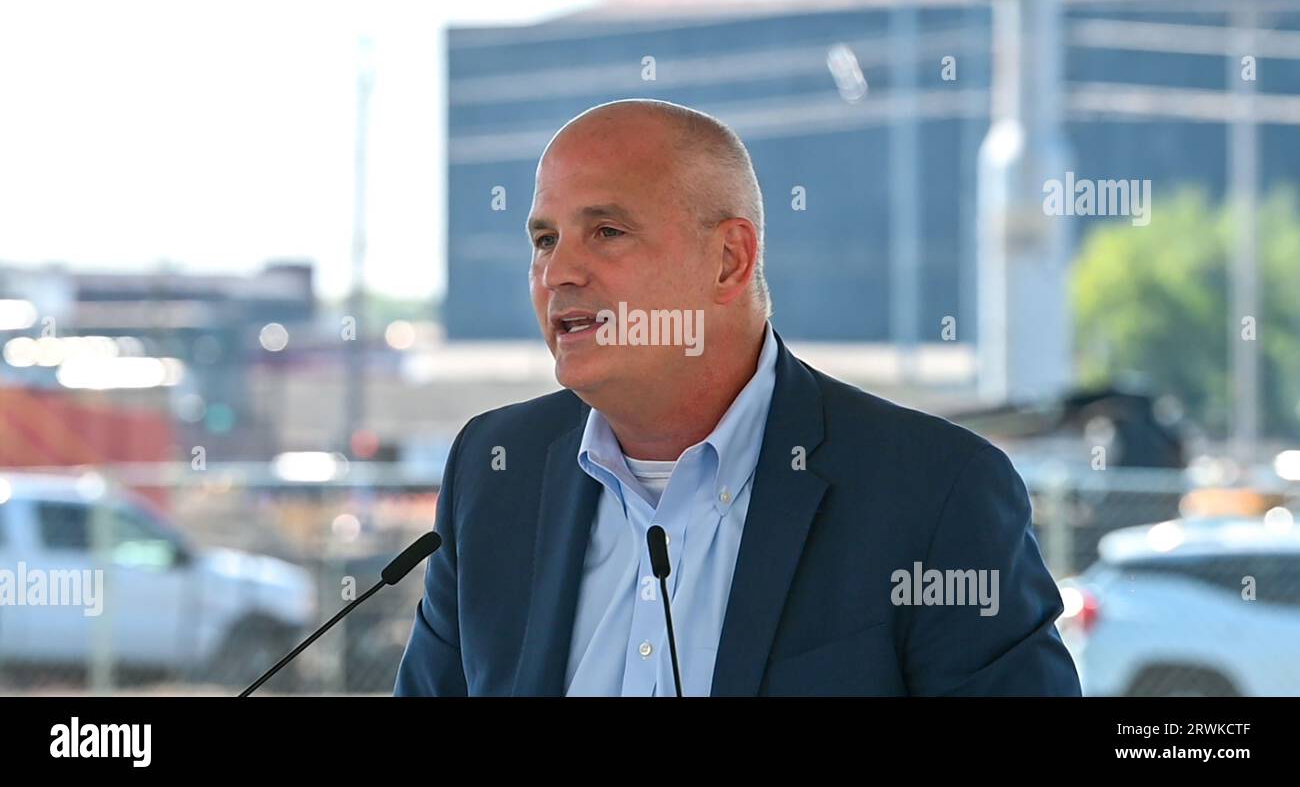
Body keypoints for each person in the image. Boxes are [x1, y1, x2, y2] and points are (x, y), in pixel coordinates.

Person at [394, 98, 1081, 696]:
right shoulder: (494, 470)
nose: (558, 272)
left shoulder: (934, 491)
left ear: (729, 261)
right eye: (545, 239)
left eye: (606, 231)